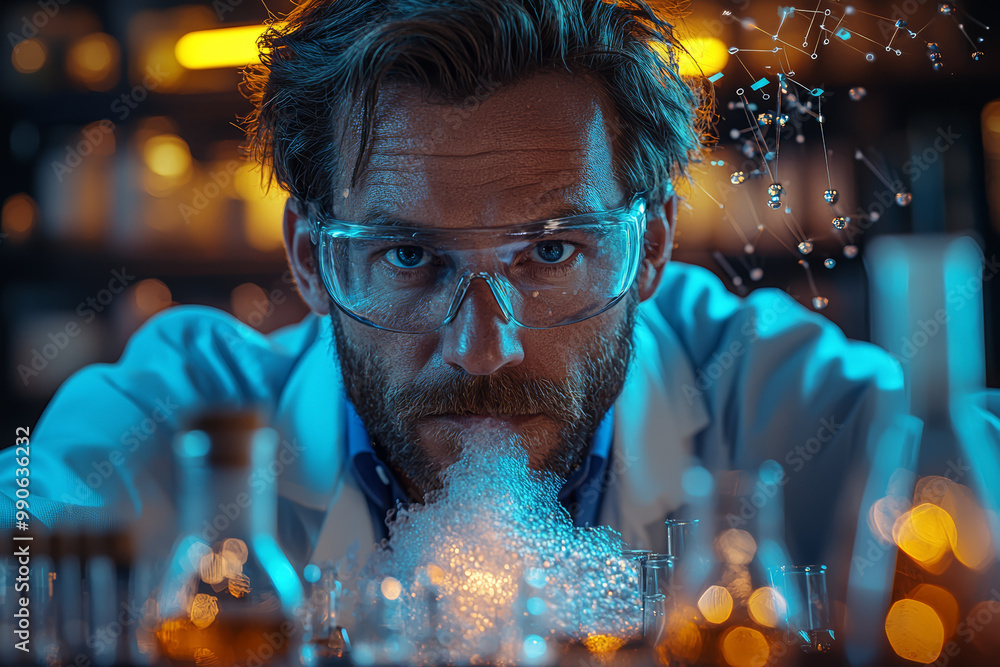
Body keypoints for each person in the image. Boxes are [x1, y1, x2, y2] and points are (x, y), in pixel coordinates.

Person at [2, 0, 906, 573]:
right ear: (312, 260)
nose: (482, 348)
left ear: (652, 247)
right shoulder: (183, 417)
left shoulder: (775, 399)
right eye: (408, 256)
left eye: (551, 252)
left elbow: (950, 457)